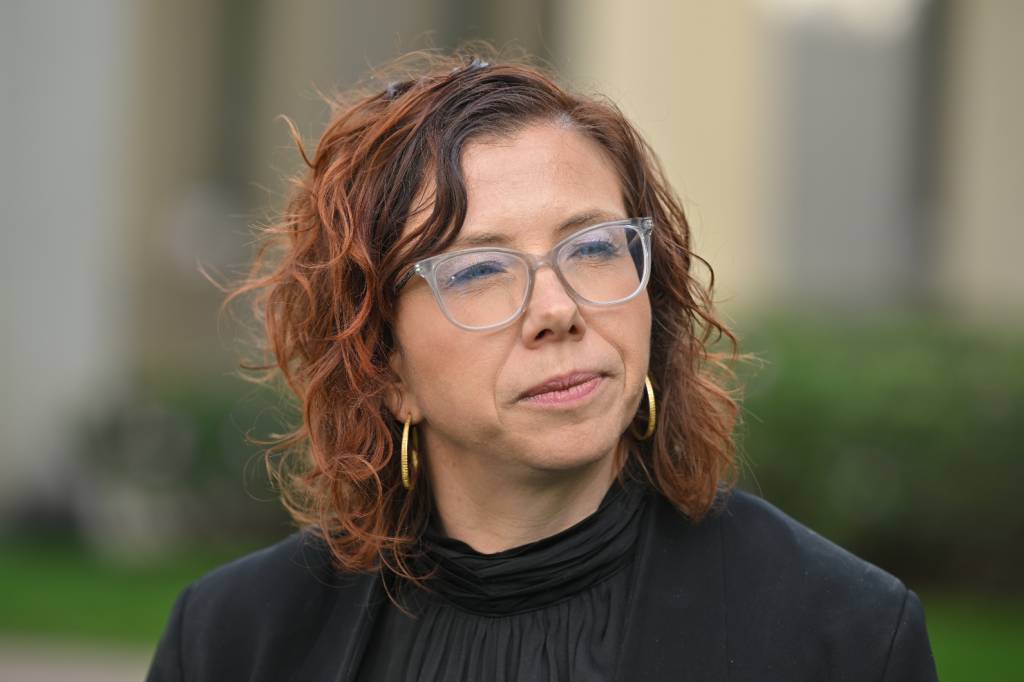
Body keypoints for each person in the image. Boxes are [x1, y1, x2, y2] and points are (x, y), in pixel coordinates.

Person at [146, 48, 938, 681]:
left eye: (592, 248)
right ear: (384, 367)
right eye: (479, 269)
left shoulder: (843, 634)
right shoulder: (233, 640)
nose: (557, 310)